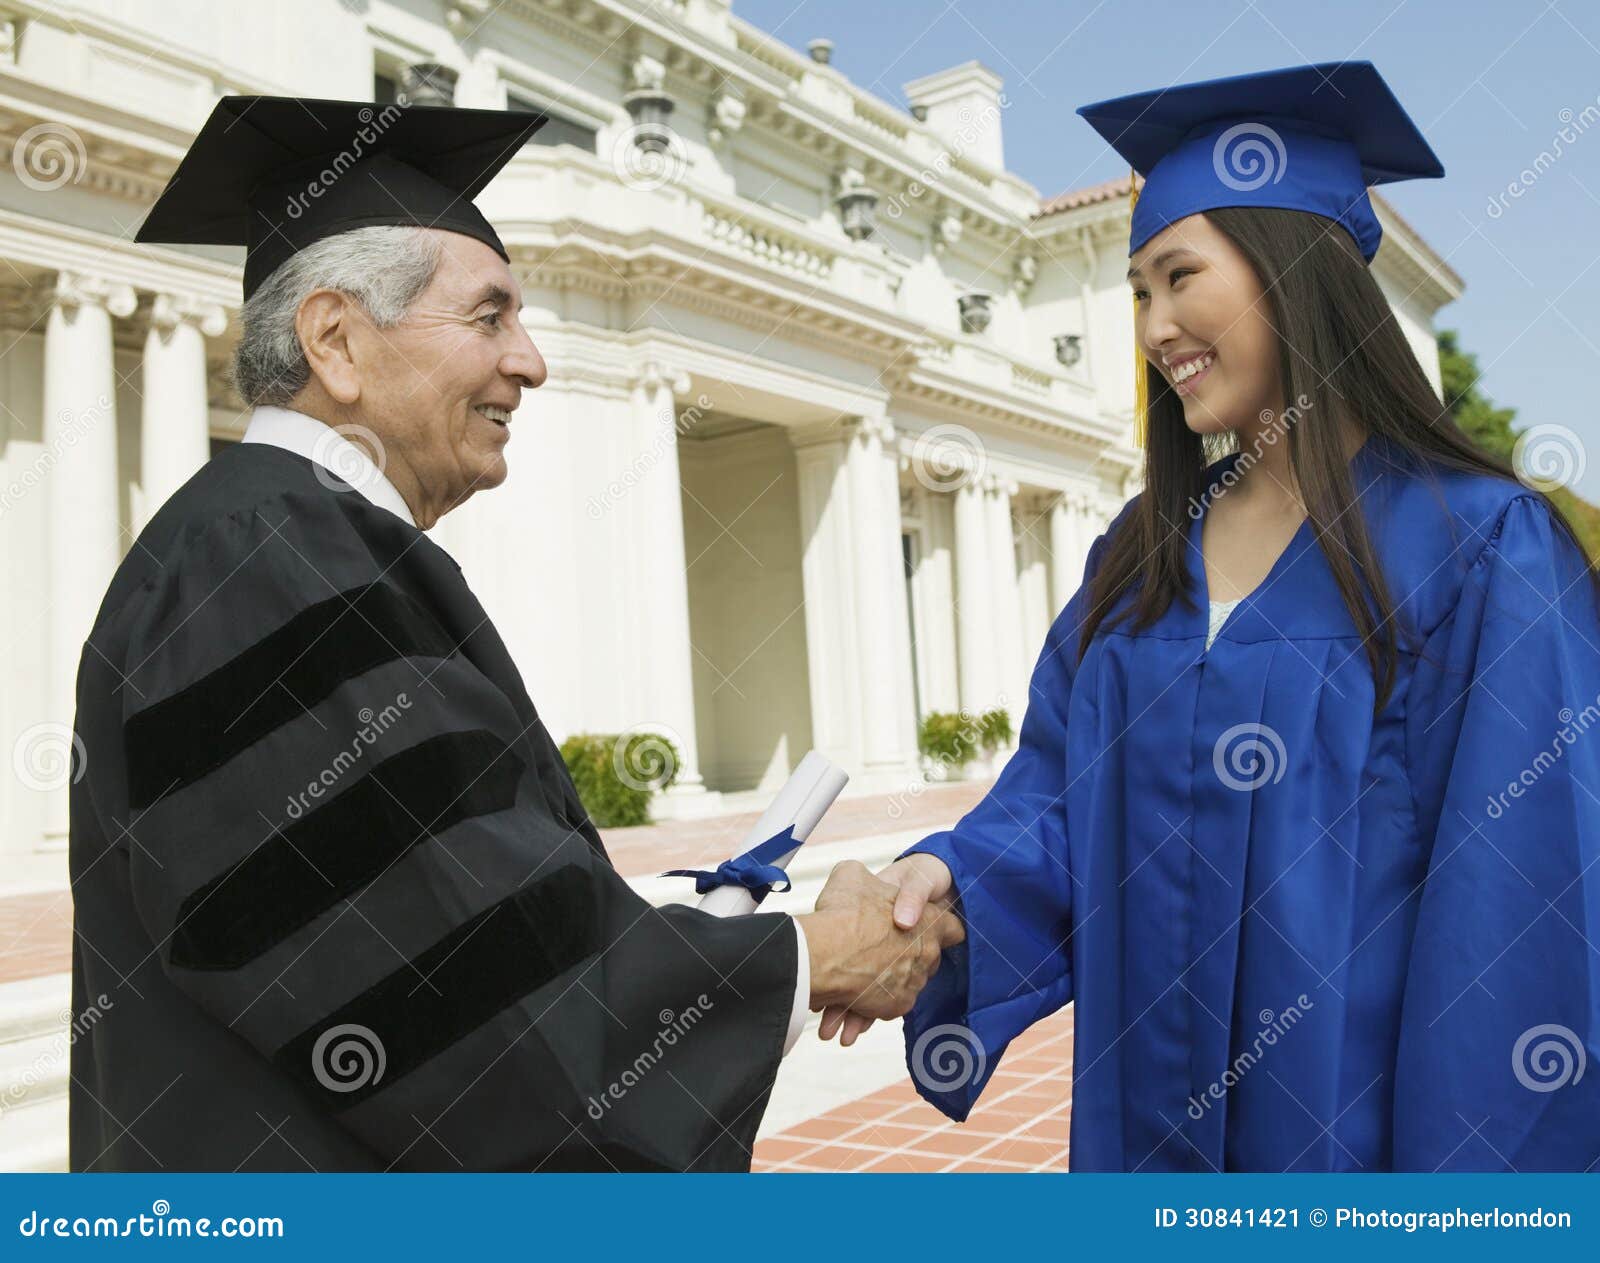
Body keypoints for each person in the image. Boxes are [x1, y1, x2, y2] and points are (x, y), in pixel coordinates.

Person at [69, 95, 961, 1172]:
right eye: (489, 318)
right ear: (336, 341)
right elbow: (456, 995)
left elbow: (452, 910)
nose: (531, 362)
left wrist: (698, 939)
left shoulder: (293, 544)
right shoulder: (264, 564)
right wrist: (804, 956)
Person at [823, 61, 1600, 1172]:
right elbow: (1053, 800)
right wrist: (940, 884)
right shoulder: (1136, 558)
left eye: (1180, 276)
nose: (1153, 325)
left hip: (1358, 1152)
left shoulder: (1480, 549)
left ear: (1296, 272)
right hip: (1142, 1135)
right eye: (1137, 291)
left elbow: (1519, 915)